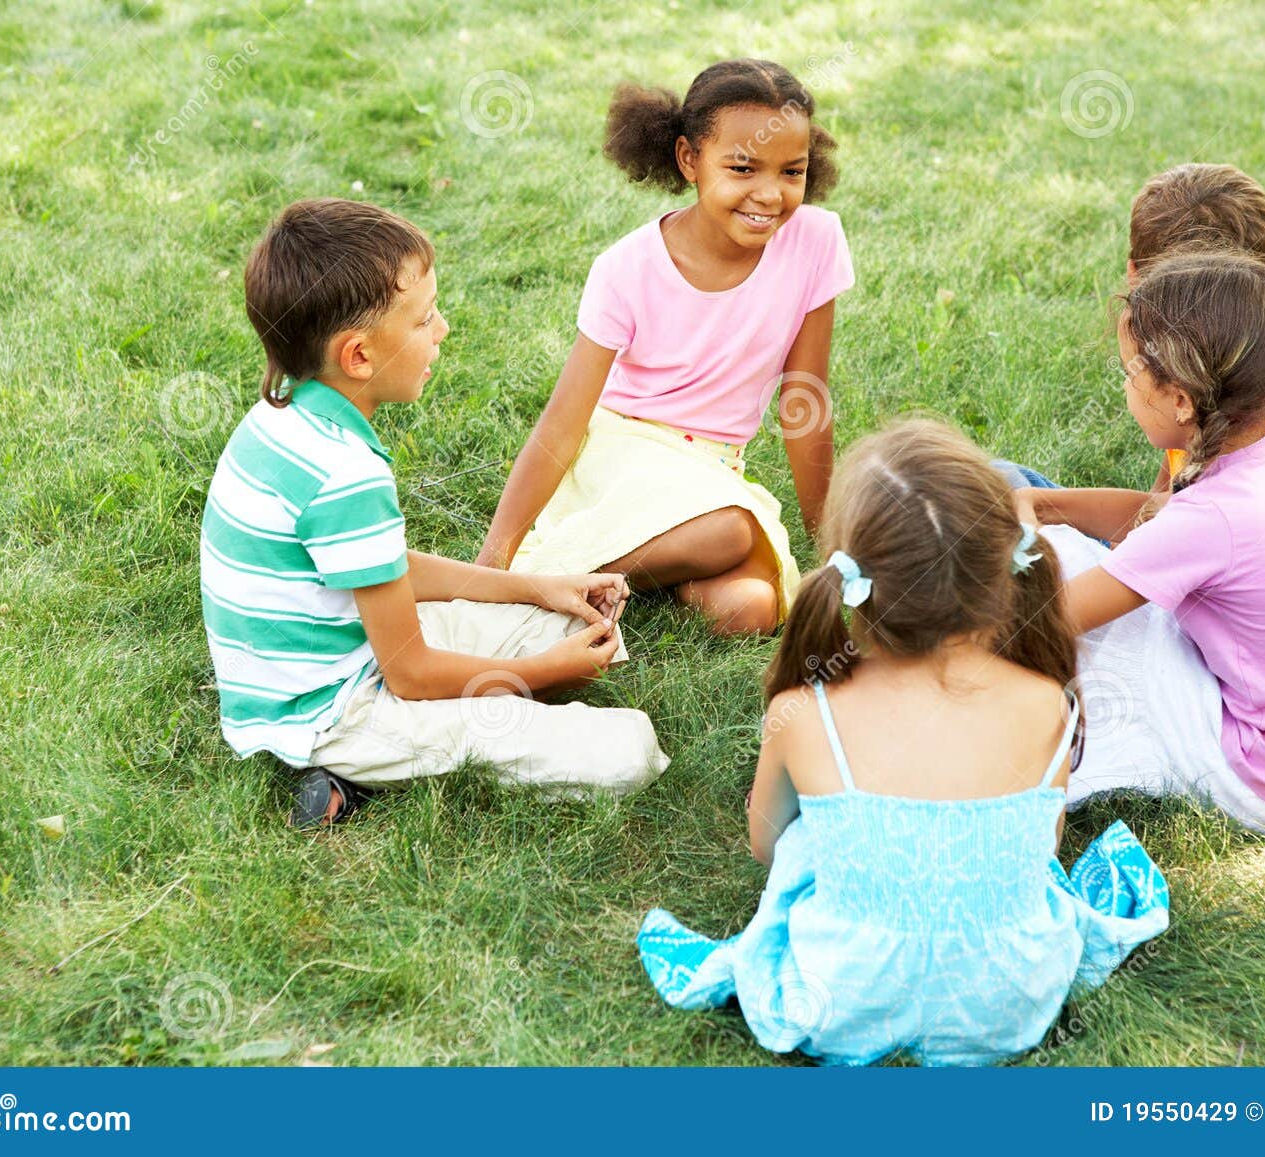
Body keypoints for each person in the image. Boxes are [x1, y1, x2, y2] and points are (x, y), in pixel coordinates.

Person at [637, 420, 1169, 1066]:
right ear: (1000, 581)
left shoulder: (805, 714)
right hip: (1011, 1006)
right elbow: (1045, 846)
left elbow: (766, 843)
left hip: (841, 1004)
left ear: (854, 586)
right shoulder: (1046, 704)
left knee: (812, 829)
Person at [203, 198, 668, 827]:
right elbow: (413, 675)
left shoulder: (286, 412)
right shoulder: (346, 473)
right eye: (424, 320)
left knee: (569, 624)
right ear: (359, 356)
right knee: (629, 752)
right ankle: (346, 765)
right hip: (336, 709)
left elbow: (385, 568)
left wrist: (534, 586)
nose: (442, 330)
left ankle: (368, 768)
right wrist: (542, 674)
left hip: (351, 655)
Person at [1019, 253, 1265, 834]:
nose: (1126, 389)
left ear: (1182, 400)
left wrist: (1015, 541)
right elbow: (1154, 516)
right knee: (1029, 499)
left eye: (1132, 374)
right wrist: (1043, 504)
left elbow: (1042, 621)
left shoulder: (1210, 519)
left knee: (1056, 591)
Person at [477, 59, 854, 635]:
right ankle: (540, 578)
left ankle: (651, 568)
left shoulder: (815, 241)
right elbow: (561, 426)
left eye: (791, 172)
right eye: (742, 168)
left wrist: (831, 543)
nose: (770, 194)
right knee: (729, 530)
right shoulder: (626, 268)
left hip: (713, 467)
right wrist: (493, 561)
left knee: (749, 609)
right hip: (625, 449)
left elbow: (804, 399)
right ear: (689, 160)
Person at [1000, 163, 1265, 538]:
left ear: (1134, 275)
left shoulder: (1251, 452)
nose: (1128, 382)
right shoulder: (1251, 375)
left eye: (1130, 374)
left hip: (1199, 581)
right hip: (1190, 550)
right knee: (1005, 488)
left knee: (997, 488)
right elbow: (1162, 503)